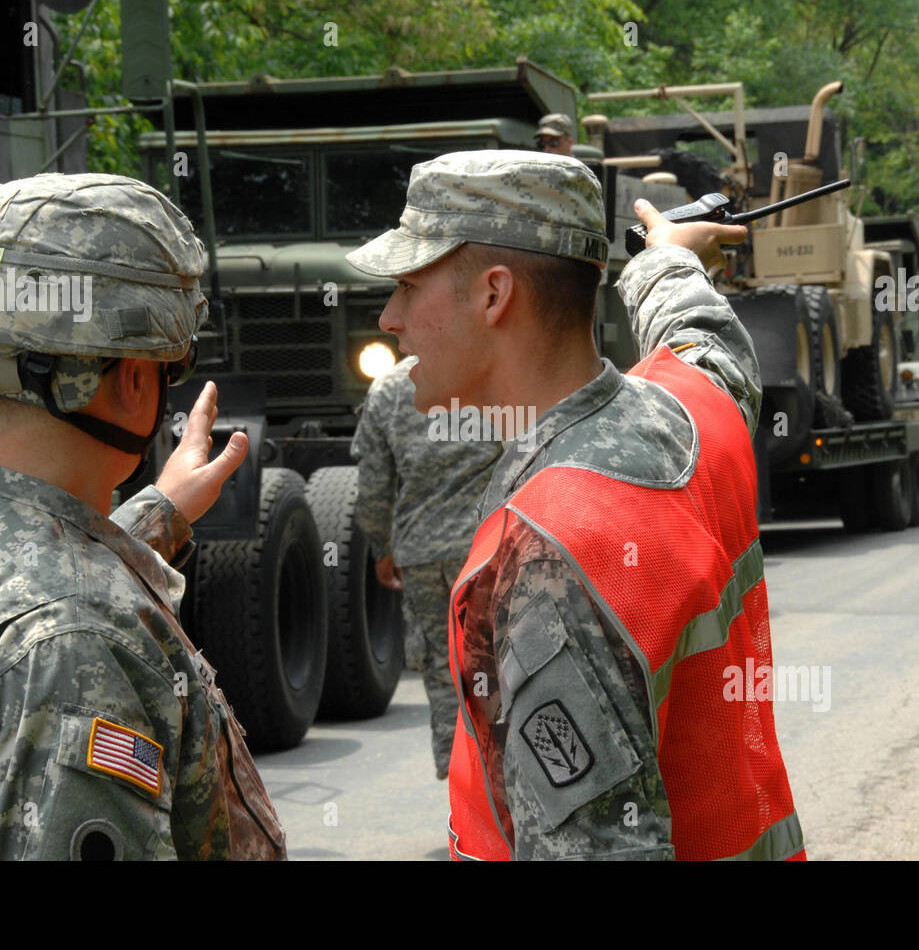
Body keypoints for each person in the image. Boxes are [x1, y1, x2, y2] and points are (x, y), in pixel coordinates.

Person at [345, 150, 804, 861]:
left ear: (494, 295)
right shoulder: (691, 417)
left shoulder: (550, 551)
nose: (390, 316)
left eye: (408, 285)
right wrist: (667, 261)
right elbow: (709, 348)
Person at [0, 173, 286, 860]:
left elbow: (25, 571)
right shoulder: (77, 643)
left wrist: (160, 513)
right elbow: (55, 611)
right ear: (136, 379)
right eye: (168, 368)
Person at [351, 357, 503, 779]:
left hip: (420, 554)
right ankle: (501, 784)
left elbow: (374, 484)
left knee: (442, 665)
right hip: (485, 544)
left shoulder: (387, 389)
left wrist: (382, 547)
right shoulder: (483, 368)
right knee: (495, 661)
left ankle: (458, 779)